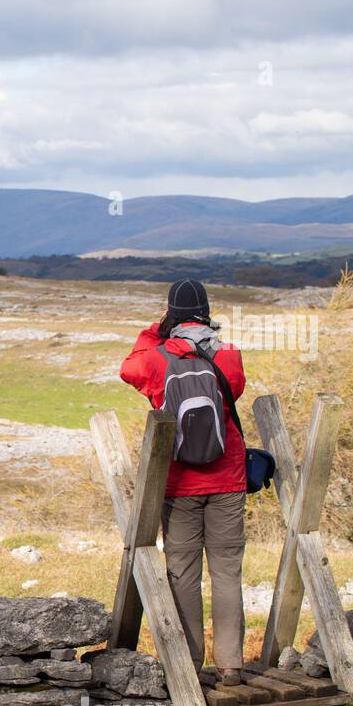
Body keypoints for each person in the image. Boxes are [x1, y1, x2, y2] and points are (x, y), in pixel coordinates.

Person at [120, 279, 248, 684]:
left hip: (178, 483)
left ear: (170, 313)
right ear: (208, 310)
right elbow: (236, 392)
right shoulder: (228, 355)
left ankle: (190, 664)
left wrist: (155, 331)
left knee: (183, 572)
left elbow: (128, 368)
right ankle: (230, 664)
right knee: (227, 571)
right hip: (228, 477)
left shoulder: (156, 359)